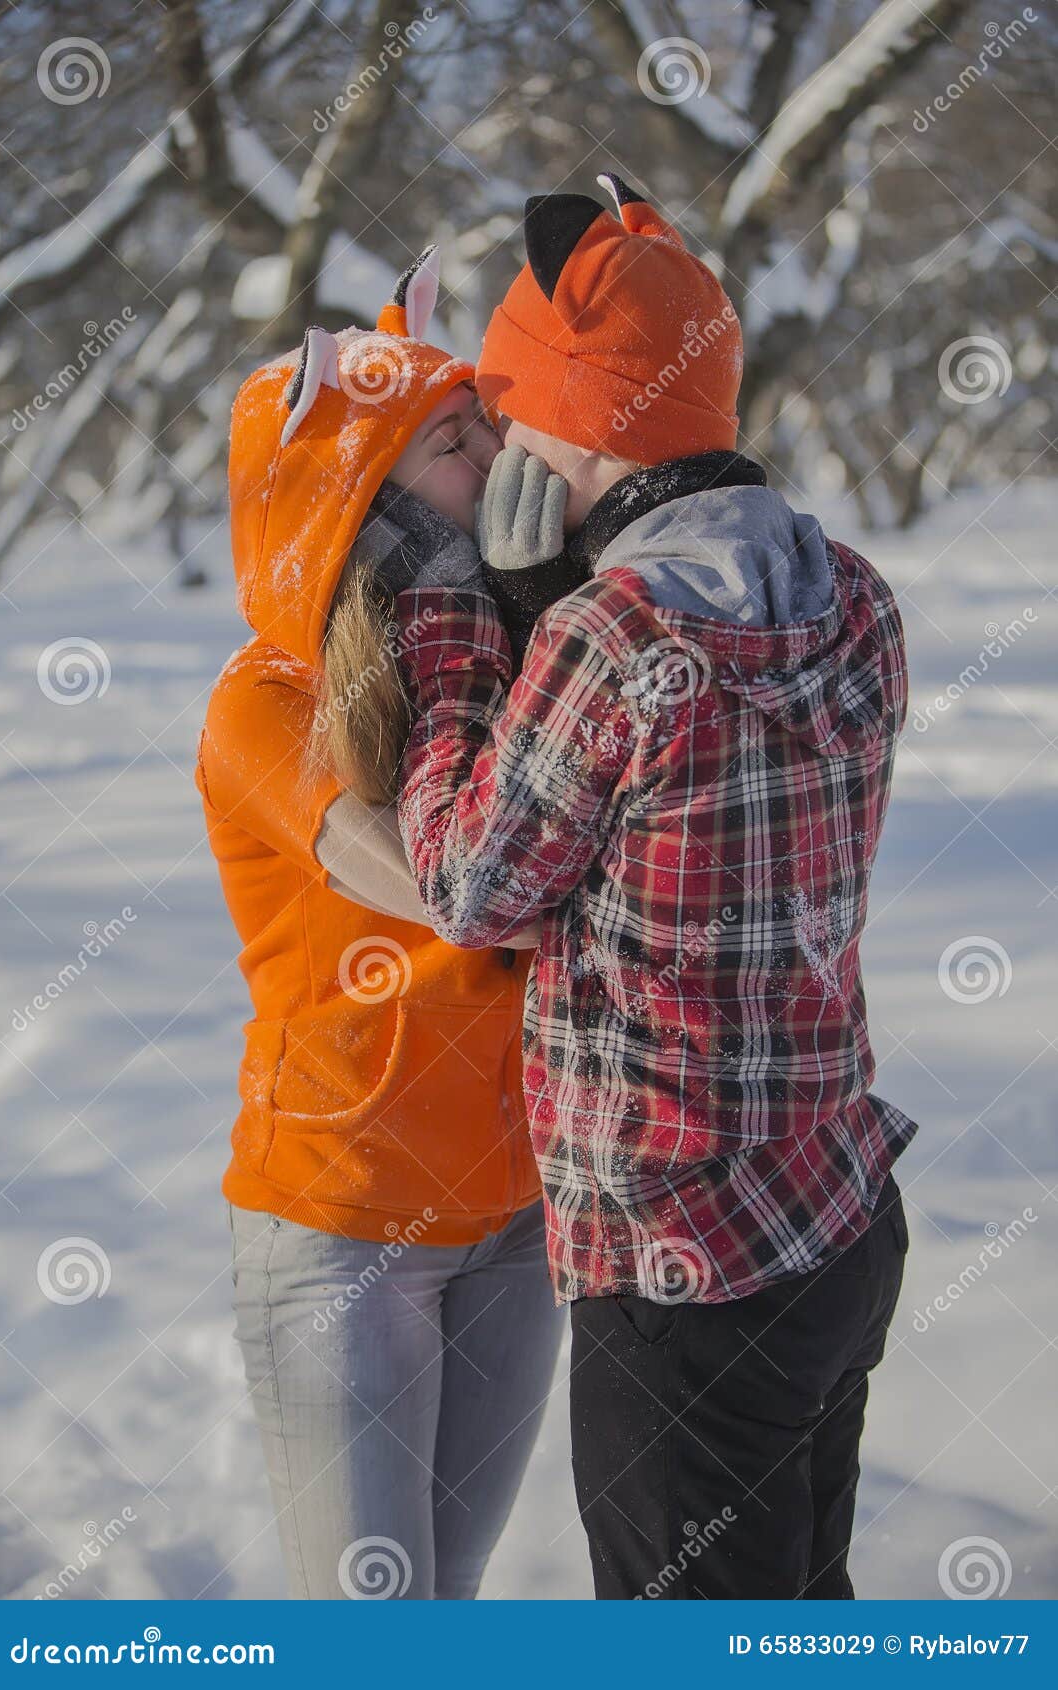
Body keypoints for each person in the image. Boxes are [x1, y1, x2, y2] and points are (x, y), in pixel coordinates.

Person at [390, 177, 918, 1600]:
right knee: (801, 1610)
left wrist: (466, 617)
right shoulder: (855, 593)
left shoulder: (609, 634)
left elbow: (469, 879)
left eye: (506, 419)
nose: (491, 443)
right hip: (835, 1208)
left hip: (678, 1261)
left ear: (566, 427)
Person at [195, 249, 564, 1601]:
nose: (498, 455)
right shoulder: (265, 702)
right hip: (340, 1235)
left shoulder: (526, 639)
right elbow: (450, 874)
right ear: (355, 500)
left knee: (442, 1610)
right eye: (454, 442)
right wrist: (506, 611)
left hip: (516, 1219)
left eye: (484, 422)